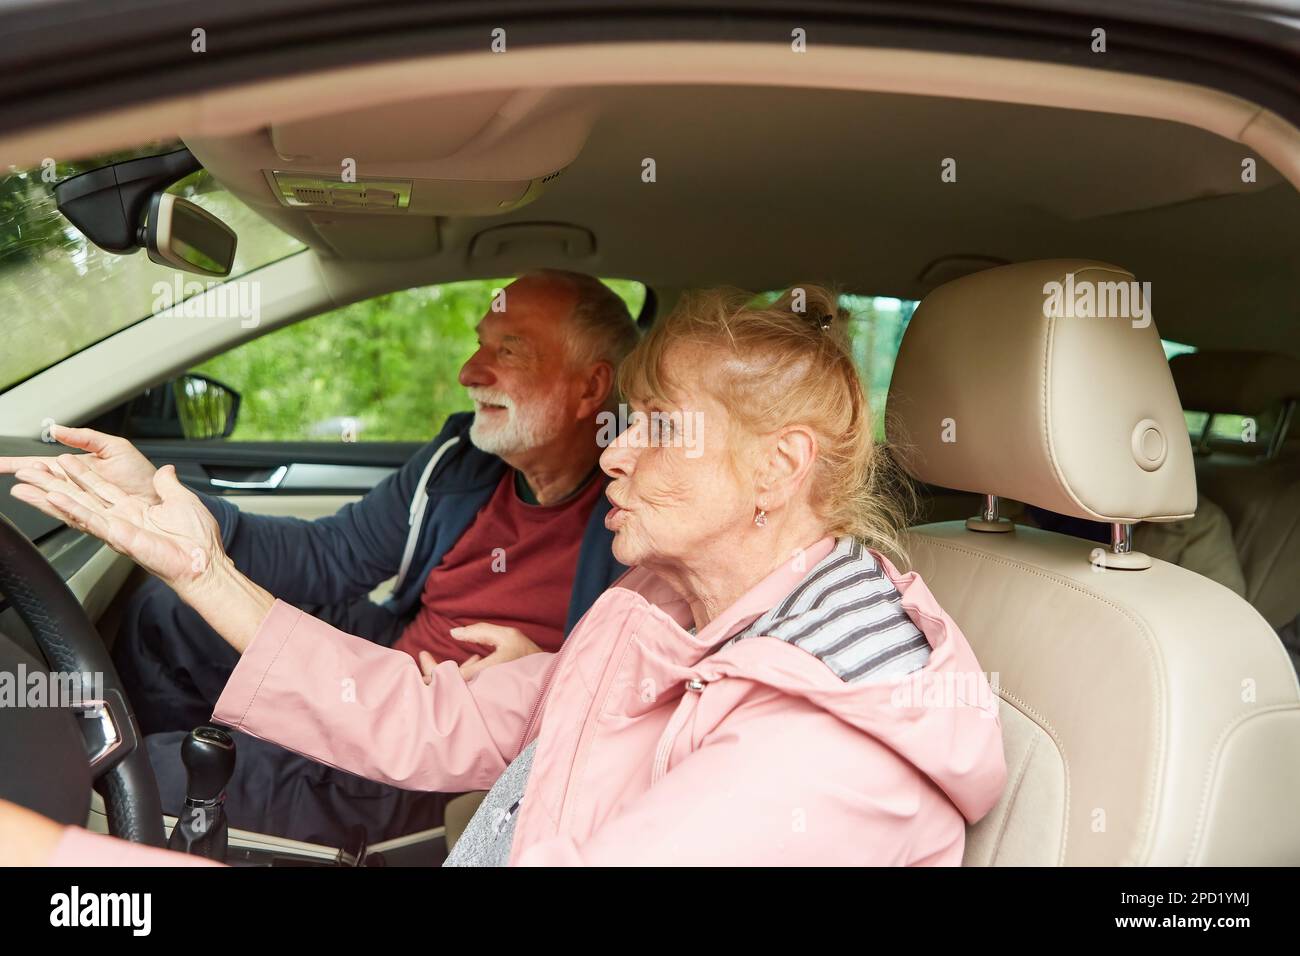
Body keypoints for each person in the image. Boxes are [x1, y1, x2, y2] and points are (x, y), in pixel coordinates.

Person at [5, 285, 1007, 866]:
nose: (616, 455)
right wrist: (202, 567)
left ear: (779, 468)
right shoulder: (656, 612)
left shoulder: (822, 741)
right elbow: (432, 719)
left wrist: (53, 855)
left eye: (655, 429)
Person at [0, 269, 639, 845]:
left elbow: (643, 693)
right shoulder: (459, 463)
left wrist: (556, 677)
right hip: (386, 656)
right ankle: (215, 792)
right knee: (165, 615)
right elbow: (331, 554)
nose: (470, 371)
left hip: (427, 747)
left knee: (137, 776)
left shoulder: (639, 525)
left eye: (508, 351)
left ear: (591, 389)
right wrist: (173, 507)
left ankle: (186, 794)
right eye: (479, 342)